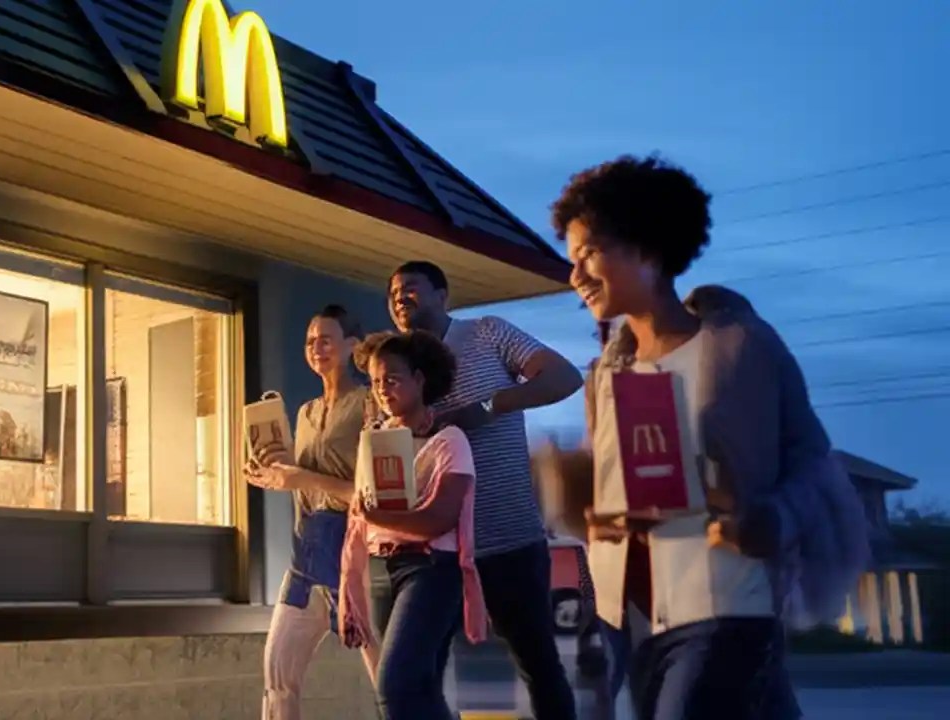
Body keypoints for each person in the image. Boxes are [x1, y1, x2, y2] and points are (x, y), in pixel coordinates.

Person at [550, 154, 869, 719]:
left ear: (646, 247)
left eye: (589, 253)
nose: (575, 275)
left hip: (728, 597)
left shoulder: (742, 348)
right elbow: (612, 496)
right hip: (641, 616)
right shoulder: (605, 374)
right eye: (571, 259)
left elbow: (814, 462)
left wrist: (771, 520)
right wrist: (579, 499)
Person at [387, 260, 584, 720]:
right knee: (421, 674)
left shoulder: (487, 333)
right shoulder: (397, 366)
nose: (399, 297)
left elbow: (565, 377)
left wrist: (490, 405)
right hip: (439, 552)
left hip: (509, 538)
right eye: (392, 292)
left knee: (538, 666)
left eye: (410, 288)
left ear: (443, 295)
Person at [338, 330, 487, 720]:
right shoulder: (375, 440)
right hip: (383, 568)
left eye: (392, 379)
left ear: (420, 379)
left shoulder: (449, 441)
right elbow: (361, 518)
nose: (382, 390)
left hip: (431, 570)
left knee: (395, 686)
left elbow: (439, 519)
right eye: (374, 382)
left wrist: (378, 516)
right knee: (421, 686)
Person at [245, 305, 379, 720]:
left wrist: (299, 478)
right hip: (305, 560)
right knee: (278, 675)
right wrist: (270, 472)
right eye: (310, 341)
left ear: (352, 346)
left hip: (355, 559)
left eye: (326, 339)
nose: (316, 347)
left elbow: (369, 497)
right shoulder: (304, 413)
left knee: (390, 679)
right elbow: (298, 477)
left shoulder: (369, 404)